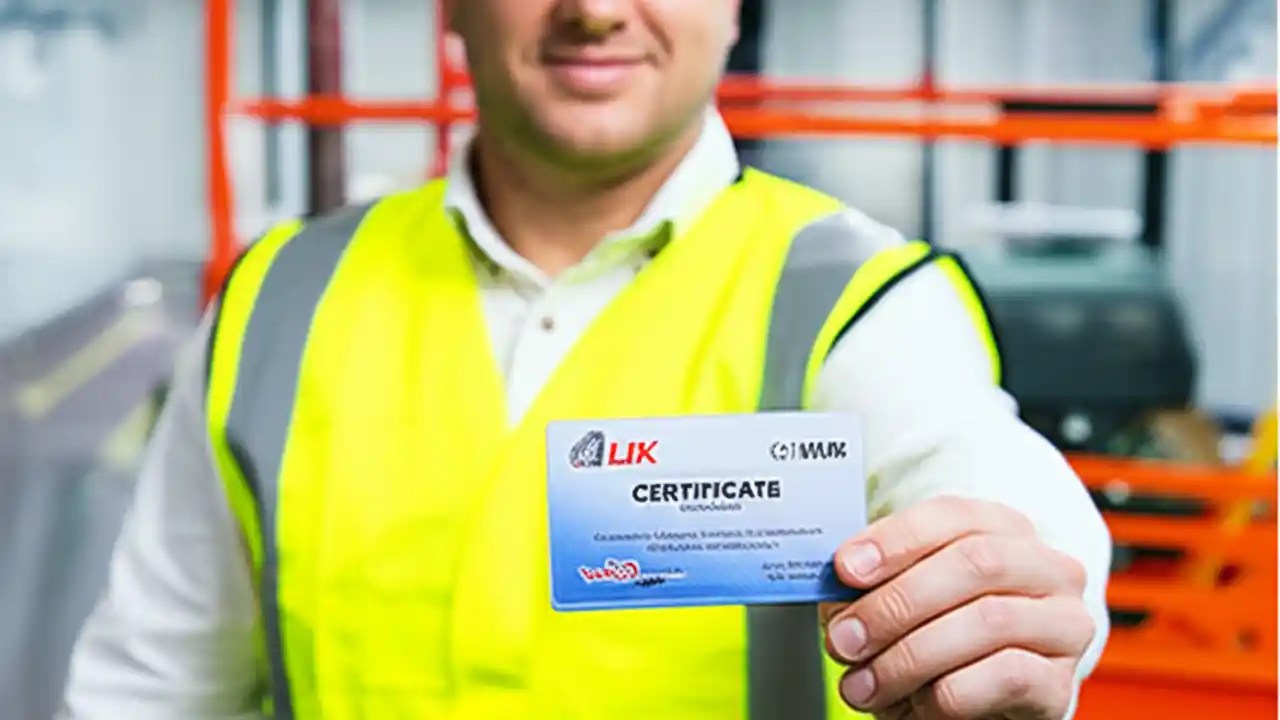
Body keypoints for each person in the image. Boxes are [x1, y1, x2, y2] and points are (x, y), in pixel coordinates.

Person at [60, 1, 1112, 718]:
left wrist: (1010, 603)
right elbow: (151, 685)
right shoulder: (280, 297)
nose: (595, 9)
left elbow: (988, 485)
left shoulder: (861, 298)